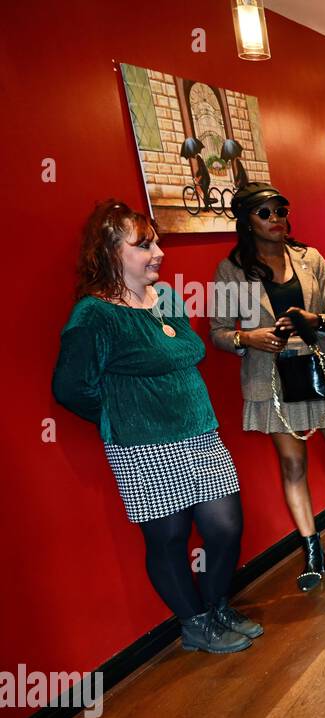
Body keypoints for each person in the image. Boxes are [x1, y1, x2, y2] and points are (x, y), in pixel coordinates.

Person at [53, 200, 258, 654]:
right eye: (144, 245)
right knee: (169, 537)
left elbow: (183, 353)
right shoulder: (93, 316)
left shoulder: (166, 298)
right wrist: (118, 417)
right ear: (110, 252)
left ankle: (217, 604)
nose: (158, 252)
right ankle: (195, 623)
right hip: (142, 447)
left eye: (157, 241)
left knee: (224, 527)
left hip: (200, 432)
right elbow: (70, 388)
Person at [211, 182, 325, 591]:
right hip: (271, 378)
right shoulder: (232, 271)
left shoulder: (310, 258)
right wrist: (249, 338)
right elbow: (220, 333)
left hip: (322, 371)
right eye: (265, 213)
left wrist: (315, 322)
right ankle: (313, 549)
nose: (276, 218)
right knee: (293, 466)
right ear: (246, 220)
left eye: (281, 210)